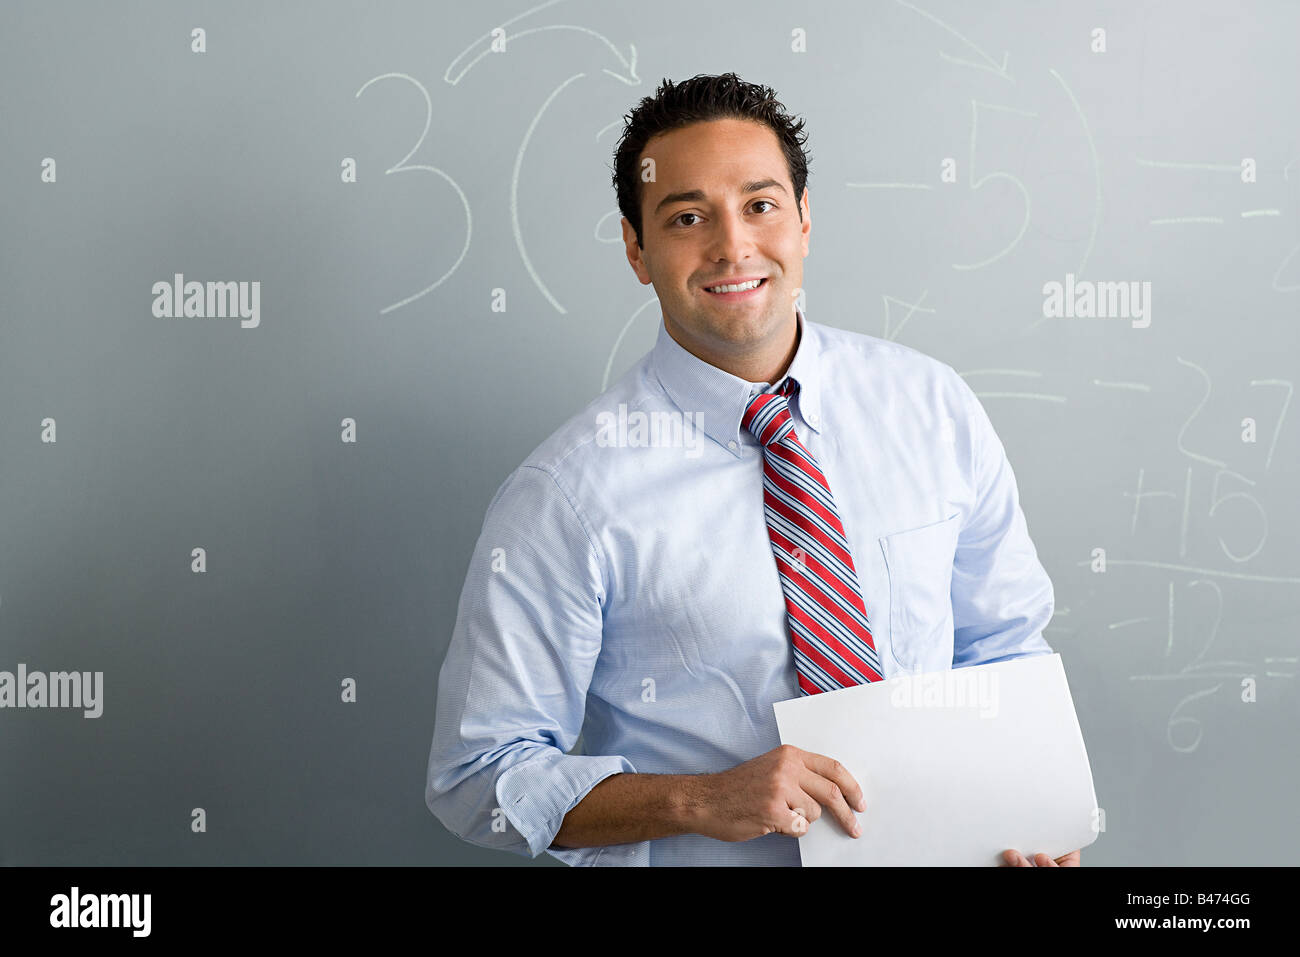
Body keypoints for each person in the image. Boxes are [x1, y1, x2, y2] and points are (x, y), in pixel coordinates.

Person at [425, 72, 1080, 867]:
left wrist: (1027, 822)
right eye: (688, 217)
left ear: (804, 219)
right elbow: (479, 777)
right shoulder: (568, 495)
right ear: (637, 248)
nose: (732, 245)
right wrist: (699, 798)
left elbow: (1004, 651)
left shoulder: (932, 407)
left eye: (761, 205)